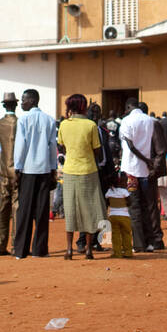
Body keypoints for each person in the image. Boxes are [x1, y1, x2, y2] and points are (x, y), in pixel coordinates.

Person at [56, 94, 107, 260]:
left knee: (70, 209)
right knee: (89, 209)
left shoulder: (64, 125)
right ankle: (88, 249)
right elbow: (97, 150)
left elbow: (62, 147)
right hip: (88, 170)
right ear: (84, 107)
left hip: (70, 171)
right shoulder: (91, 125)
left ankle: (69, 249)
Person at [11, 89, 57, 259]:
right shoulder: (49, 120)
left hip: (28, 170)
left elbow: (20, 146)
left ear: (31, 100)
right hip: (44, 170)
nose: (21, 103)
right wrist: (53, 168)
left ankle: (21, 250)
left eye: (23, 100)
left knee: (25, 211)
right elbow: (52, 146)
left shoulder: (23, 120)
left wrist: (17, 168)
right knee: (42, 211)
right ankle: (40, 249)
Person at [120, 98, 163, 251]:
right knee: (148, 206)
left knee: (134, 207)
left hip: (131, 170)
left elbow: (130, 146)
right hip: (146, 171)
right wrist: (149, 162)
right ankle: (151, 242)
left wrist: (145, 160)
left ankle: (139, 244)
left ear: (128, 107)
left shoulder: (126, 121)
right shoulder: (150, 121)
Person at [0, 93, 20, 256]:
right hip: (16, 170)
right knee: (16, 207)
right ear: (16, 105)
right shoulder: (20, 123)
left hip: (3, 170)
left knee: (2, 208)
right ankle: (16, 245)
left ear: (4, 106)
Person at [104, 180, 132, 258]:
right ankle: (128, 252)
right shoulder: (124, 191)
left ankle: (117, 253)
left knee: (115, 235)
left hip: (113, 215)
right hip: (124, 216)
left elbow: (107, 202)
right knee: (126, 234)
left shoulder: (109, 191)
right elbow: (130, 202)